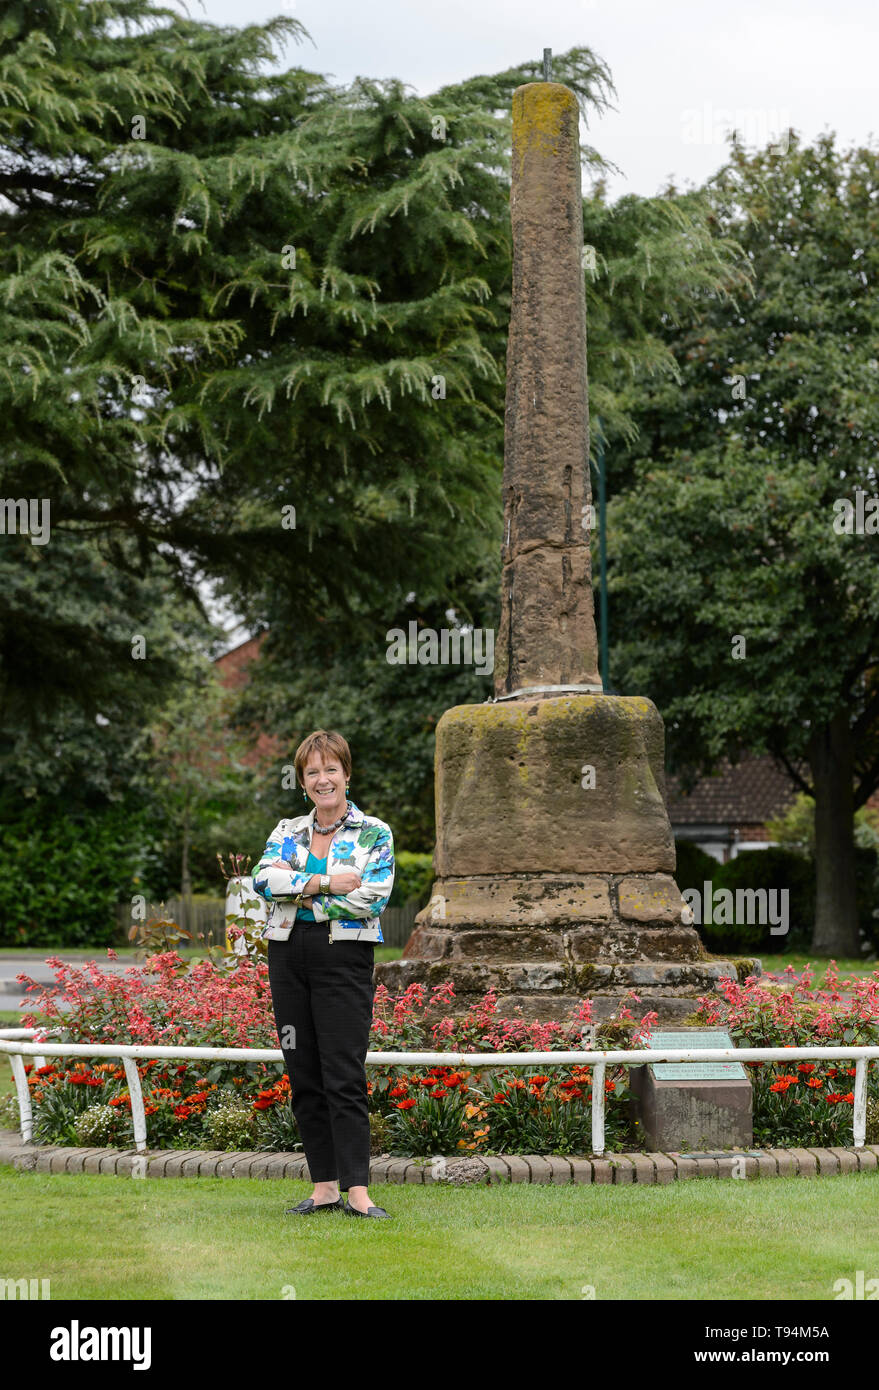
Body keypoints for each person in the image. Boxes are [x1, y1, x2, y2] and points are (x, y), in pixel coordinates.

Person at [253, 729, 395, 1219]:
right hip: (287, 956)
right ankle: (324, 1188)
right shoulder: (286, 831)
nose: (322, 779)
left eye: (330, 769)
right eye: (312, 772)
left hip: (344, 959)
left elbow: (372, 896)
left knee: (343, 1072)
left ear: (346, 774)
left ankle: (358, 1190)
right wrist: (326, 883)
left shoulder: (374, 832)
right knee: (303, 1071)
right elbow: (261, 880)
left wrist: (300, 894)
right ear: (302, 781)